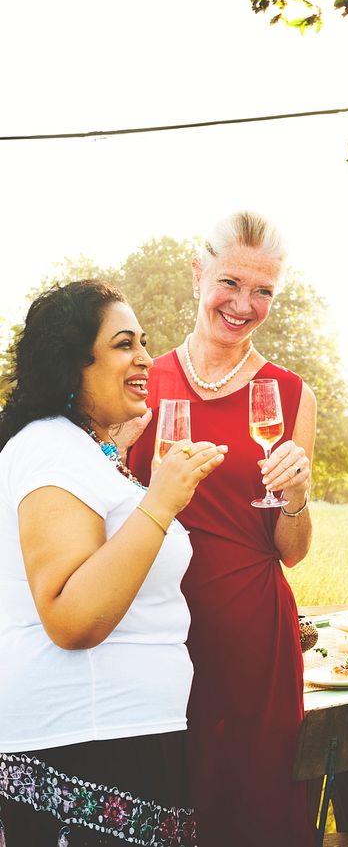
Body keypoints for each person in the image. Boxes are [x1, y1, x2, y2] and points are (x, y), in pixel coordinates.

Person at [0, 280, 227, 846]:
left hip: (124, 739)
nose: (146, 358)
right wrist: (161, 500)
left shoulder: (81, 449)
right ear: (75, 361)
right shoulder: (49, 448)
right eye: (125, 344)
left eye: (143, 342)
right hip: (87, 745)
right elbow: (71, 618)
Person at [129, 211, 317, 847]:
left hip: (252, 638)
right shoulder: (139, 383)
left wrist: (295, 497)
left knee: (254, 813)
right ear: (197, 272)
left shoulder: (291, 395)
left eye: (263, 290)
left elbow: (292, 552)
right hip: (149, 632)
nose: (244, 305)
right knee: (164, 802)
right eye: (230, 282)